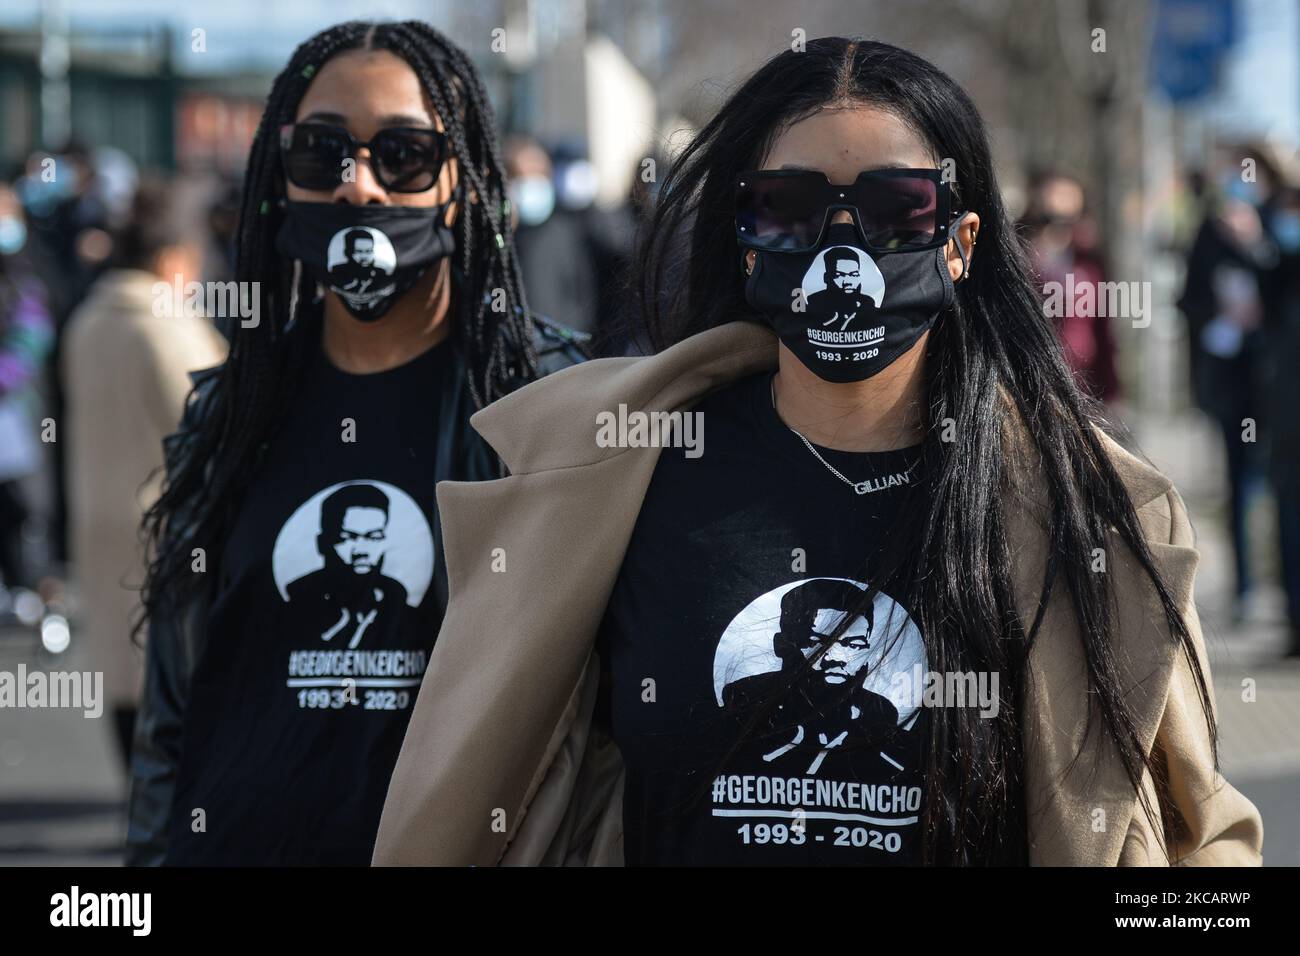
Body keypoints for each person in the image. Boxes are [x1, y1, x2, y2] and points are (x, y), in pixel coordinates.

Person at [374, 37, 1261, 866]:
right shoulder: (618, 476)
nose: (844, 249)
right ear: (744, 237)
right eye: (790, 209)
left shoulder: (1084, 510)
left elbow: (1201, 836)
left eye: (895, 207)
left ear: (960, 243)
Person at [126, 19, 586, 867]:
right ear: (281, 177)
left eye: (402, 154)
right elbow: (174, 719)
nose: (360, 187)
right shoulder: (231, 411)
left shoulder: (548, 405)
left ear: (463, 180)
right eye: (323, 154)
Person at [63, 177, 229, 768]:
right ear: (173, 257)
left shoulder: (88, 318)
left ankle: (138, 816)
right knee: (170, 681)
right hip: (165, 530)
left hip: (97, 519)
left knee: (120, 671)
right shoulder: (168, 330)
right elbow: (216, 433)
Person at [1177, 146, 1279, 621]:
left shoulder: (1274, 226)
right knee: (1238, 484)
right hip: (1230, 383)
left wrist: (1256, 244)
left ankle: (1280, 580)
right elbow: (1188, 300)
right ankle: (1245, 588)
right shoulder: (1209, 232)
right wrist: (1219, 319)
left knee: (1278, 487)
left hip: (1277, 384)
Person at [0, 183, 54, 614]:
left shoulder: (23, 275)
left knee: (19, 509)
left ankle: (26, 585)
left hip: (13, 420)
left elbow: (31, 339)